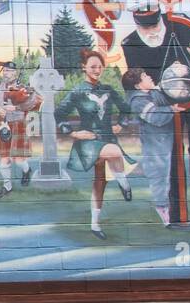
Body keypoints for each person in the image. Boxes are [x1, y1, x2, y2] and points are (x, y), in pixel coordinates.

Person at [120, 0, 190, 226]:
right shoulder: (130, 43)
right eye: (144, 28)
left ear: (160, 18)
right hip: (165, 104)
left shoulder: (184, 25)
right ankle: (176, 216)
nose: (150, 33)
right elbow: (139, 80)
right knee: (170, 159)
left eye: (153, 26)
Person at [56, 49, 135, 240]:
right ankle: (124, 183)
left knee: (100, 182)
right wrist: (74, 132)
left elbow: (126, 109)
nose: (97, 70)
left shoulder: (107, 89)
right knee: (115, 153)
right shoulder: (77, 92)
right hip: (89, 141)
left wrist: (120, 125)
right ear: (84, 67)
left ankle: (95, 225)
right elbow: (58, 114)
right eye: (93, 66)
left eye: (100, 66)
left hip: (108, 137)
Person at [123, 67, 183, 226]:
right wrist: (171, 109)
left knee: (169, 174)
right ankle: (163, 210)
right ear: (137, 85)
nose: (149, 77)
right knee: (159, 175)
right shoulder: (137, 101)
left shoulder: (153, 92)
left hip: (167, 140)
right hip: (155, 146)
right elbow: (156, 117)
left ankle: (170, 209)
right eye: (144, 76)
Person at [0, 61, 40, 201]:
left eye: (9, 71)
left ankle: (26, 170)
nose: (6, 73)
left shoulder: (23, 87)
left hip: (18, 123)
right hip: (3, 124)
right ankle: (7, 186)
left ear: (15, 73)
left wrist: (17, 108)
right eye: (5, 71)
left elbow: (33, 102)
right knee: (4, 157)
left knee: (18, 159)